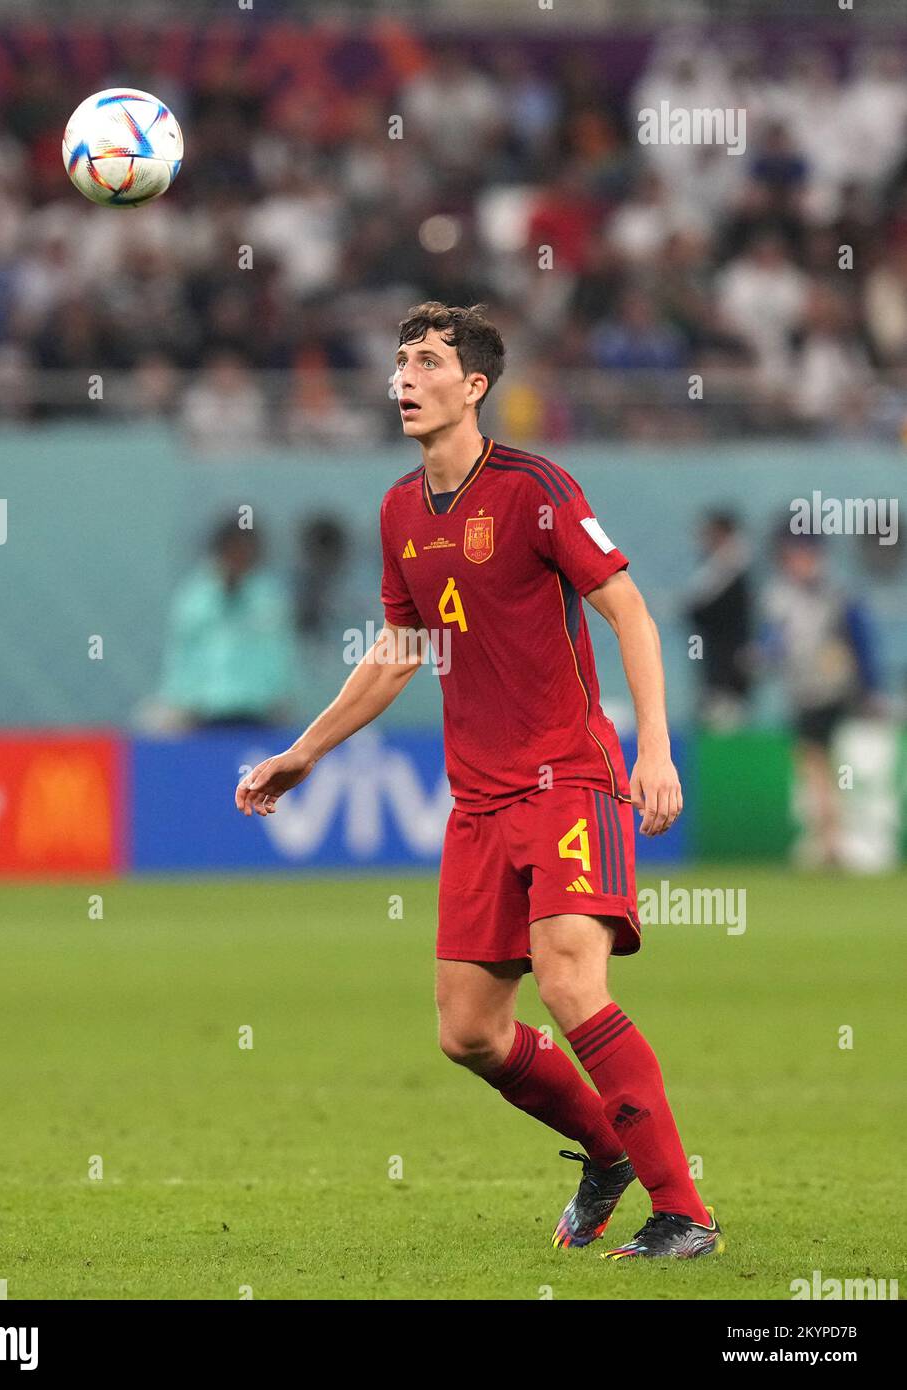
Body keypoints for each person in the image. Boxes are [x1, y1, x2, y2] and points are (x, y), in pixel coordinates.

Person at [235, 302, 722, 1260]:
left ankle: (685, 1214)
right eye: (399, 363)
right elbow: (401, 647)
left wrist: (653, 749)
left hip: (569, 779)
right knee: (467, 1033)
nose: (404, 379)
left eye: (425, 362)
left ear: (475, 387)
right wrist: (307, 749)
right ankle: (606, 1152)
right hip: (479, 798)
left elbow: (630, 615)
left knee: (569, 984)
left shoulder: (537, 488)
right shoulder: (399, 509)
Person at [761, 528, 880, 867]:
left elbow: (861, 643)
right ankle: (831, 839)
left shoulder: (836, 595)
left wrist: (869, 688)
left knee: (820, 765)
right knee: (816, 766)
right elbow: (774, 644)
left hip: (832, 692)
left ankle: (832, 841)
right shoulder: (779, 597)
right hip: (802, 692)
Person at [159, 519, 296, 730]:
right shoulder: (196, 595)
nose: (237, 558)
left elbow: (280, 652)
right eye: (232, 551)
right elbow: (181, 651)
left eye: (244, 551)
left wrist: (279, 698)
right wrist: (179, 699)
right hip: (202, 711)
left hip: (257, 711)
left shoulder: (267, 595)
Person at [684, 510, 754, 728]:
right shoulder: (720, 571)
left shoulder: (732, 573)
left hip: (727, 672)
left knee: (724, 725)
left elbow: (704, 612)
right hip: (719, 668)